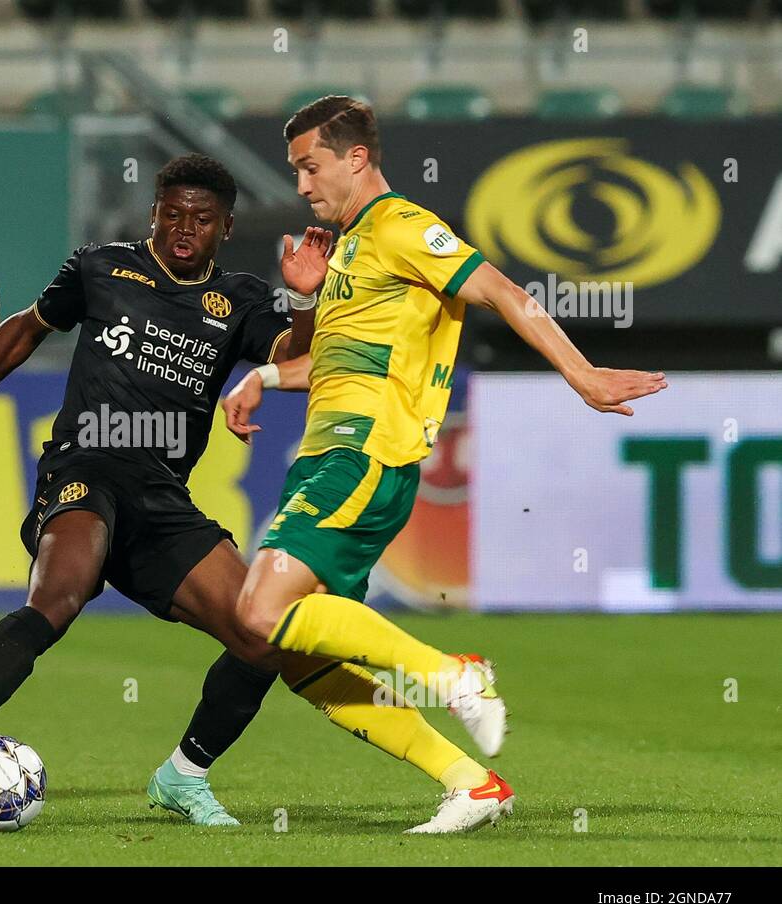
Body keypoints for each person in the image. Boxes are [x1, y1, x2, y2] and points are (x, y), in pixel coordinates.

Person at [222, 96, 667, 833]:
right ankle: (470, 783)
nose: (301, 186)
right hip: (328, 456)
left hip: (360, 456)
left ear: (355, 158)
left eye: (310, 167)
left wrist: (581, 373)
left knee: (257, 611)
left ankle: (453, 675)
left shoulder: (403, 228)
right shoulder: (352, 247)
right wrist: (266, 371)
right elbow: (336, 361)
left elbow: (507, 294)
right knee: (291, 654)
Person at [0, 154, 336, 826]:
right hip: (86, 466)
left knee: (264, 636)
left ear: (225, 227)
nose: (183, 228)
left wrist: (305, 298)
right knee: (60, 595)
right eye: (172, 214)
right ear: (154, 213)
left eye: (201, 218)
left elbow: (298, 362)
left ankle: (183, 776)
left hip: (162, 497)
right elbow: (24, 329)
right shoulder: (101, 266)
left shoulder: (242, 298)